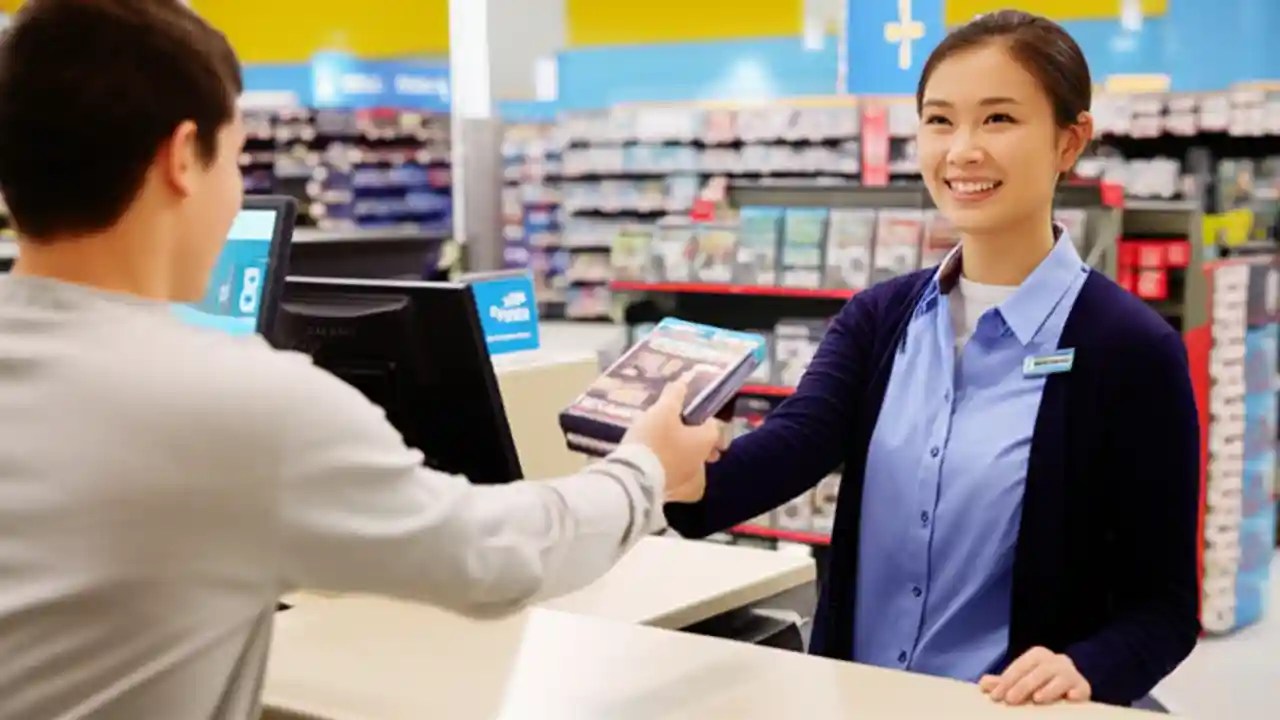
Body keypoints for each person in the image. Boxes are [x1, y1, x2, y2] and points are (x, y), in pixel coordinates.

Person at [0, 2, 724, 718]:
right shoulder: (235, 405)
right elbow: (497, 556)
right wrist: (645, 469)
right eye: (237, 156)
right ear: (183, 157)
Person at [666, 10, 1200, 709]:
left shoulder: (1130, 349)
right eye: (940, 121)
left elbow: (1162, 610)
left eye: (999, 119)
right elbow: (781, 456)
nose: (962, 151)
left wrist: (1086, 667)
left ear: (1070, 141)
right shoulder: (878, 321)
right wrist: (667, 466)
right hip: (862, 701)